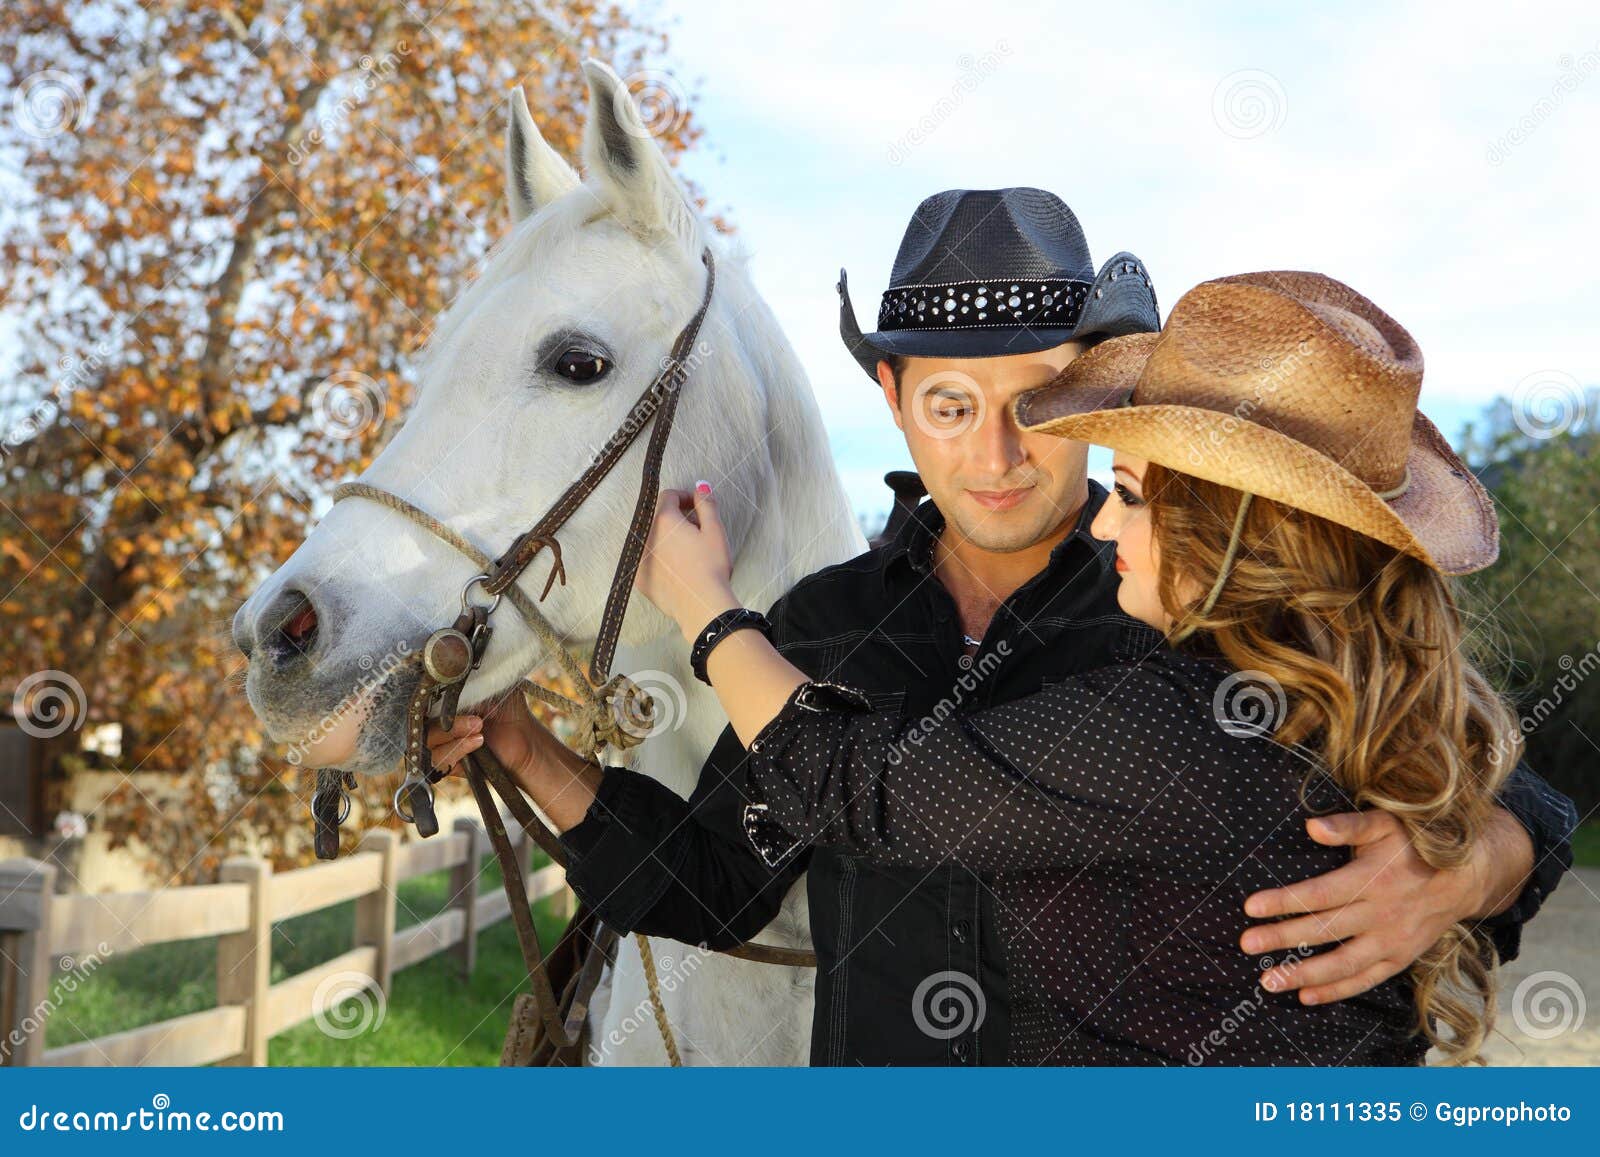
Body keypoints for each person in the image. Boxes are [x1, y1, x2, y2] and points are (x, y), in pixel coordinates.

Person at [429, 195, 1574, 1065]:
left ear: (1095, 401)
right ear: (890, 398)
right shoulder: (820, 628)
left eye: (1035, 403)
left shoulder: (1207, 604)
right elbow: (711, 885)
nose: (994, 454)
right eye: (948, 405)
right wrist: (526, 747)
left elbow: (1473, 759)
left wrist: (1470, 862)